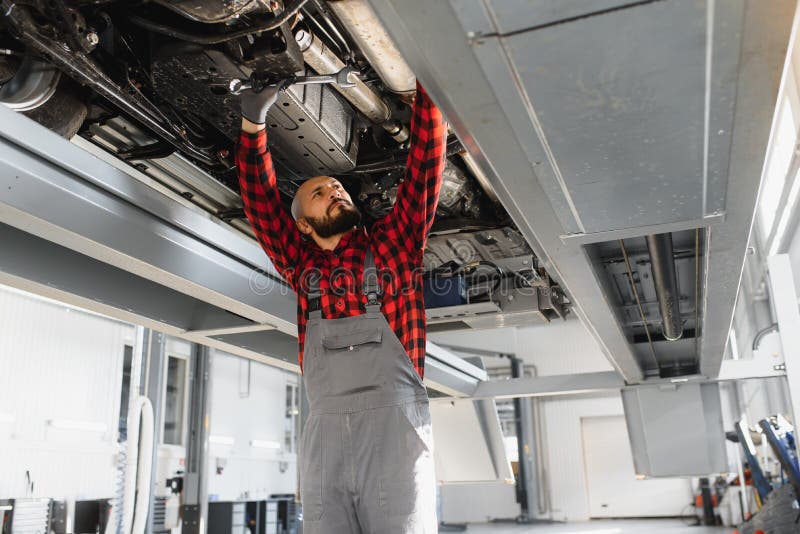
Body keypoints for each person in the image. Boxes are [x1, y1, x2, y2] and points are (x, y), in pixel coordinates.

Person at [236, 79, 447, 533]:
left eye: (336, 186)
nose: (334, 190)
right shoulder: (300, 265)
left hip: (394, 438)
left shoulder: (395, 247)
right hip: (326, 439)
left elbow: (425, 171)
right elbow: (260, 203)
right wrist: (252, 124)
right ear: (304, 228)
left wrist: (427, 80)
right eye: (320, 193)